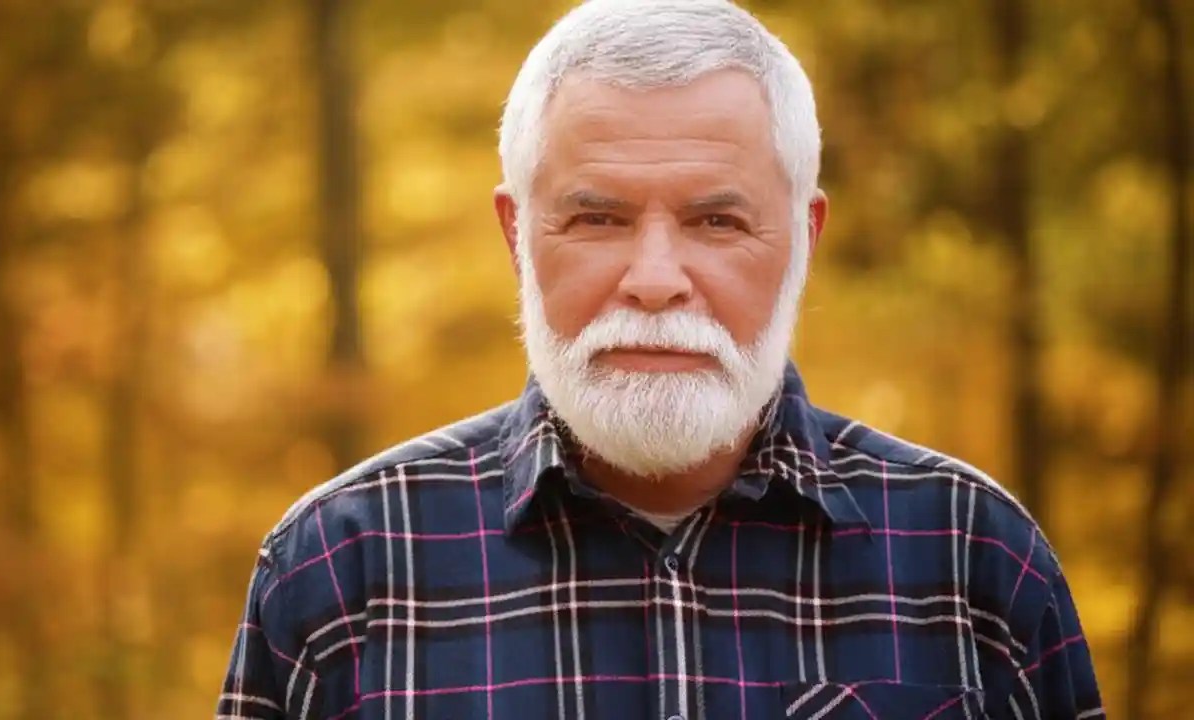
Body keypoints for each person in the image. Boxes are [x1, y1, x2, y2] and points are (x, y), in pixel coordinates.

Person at [218, 0, 1104, 717]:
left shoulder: (972, 558)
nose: (654, 280)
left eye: (717, 221)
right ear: (518, 237)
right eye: (597, 218)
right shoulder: (340, 573)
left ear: (802, 238)